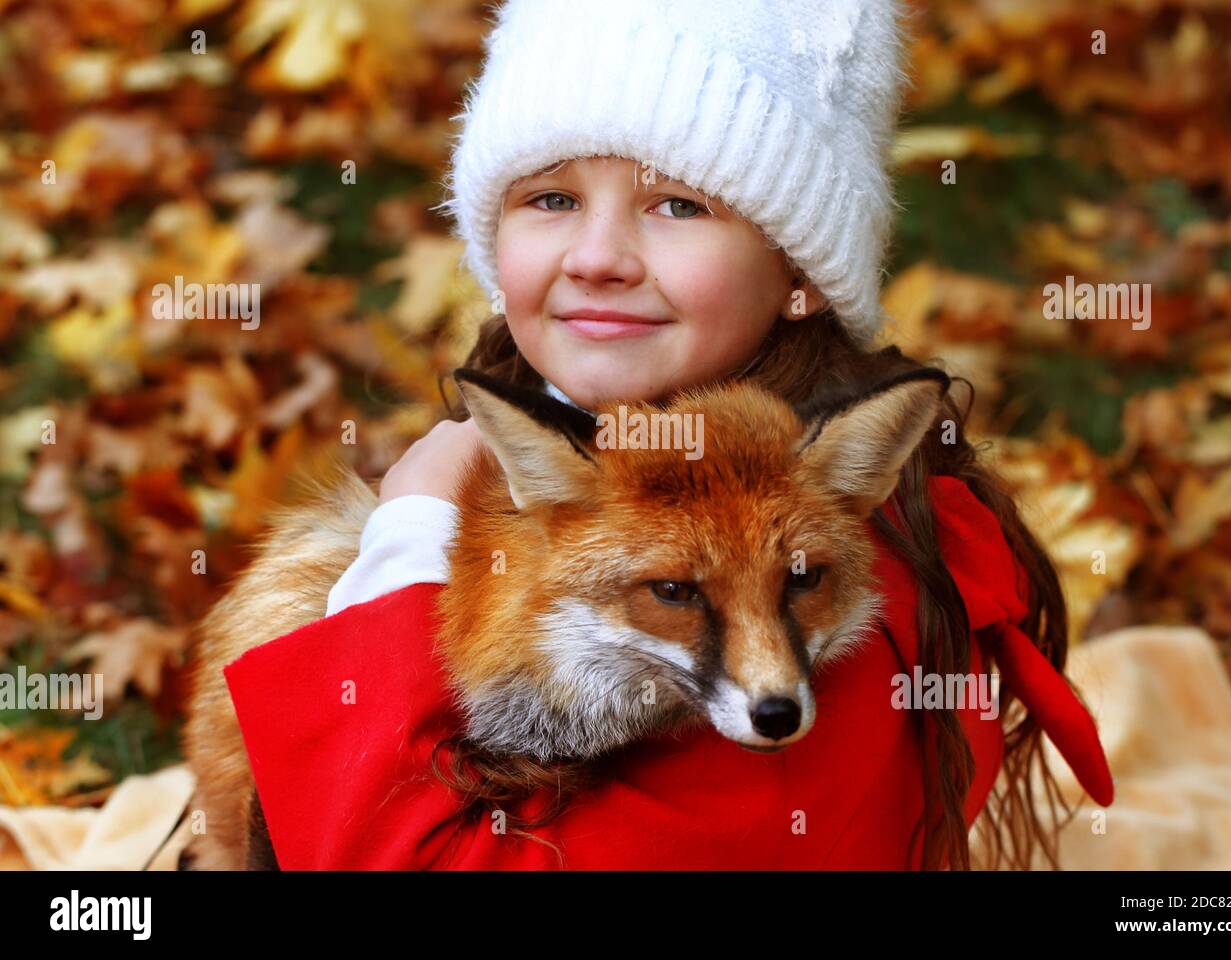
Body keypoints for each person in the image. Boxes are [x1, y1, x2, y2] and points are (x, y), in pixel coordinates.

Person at [221, 0, 1114, 871]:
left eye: (680, 205)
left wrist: (412, 532)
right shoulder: (555, 456)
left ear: (800, 271)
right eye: (552, 196)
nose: (597, 255)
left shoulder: (855, 587)